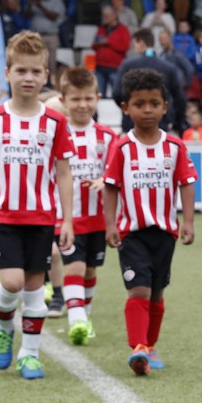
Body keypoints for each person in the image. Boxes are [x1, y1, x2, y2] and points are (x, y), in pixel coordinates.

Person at [0, 31, 76, 380]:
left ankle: (29, 354)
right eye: (21, 70)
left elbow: (64, 173)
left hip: (42, 218)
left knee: (34, 289)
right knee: (10, 283)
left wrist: (67, 220)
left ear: (46, 76)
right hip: (5, 217)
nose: (28, 78)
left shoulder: (55, 121)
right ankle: (2, 326)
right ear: (7, 72)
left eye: (35, 71)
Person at [103, 68, 198, 375]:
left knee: (157, 293)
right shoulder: (121, 147)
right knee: (139, 290)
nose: (147, 109)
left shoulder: (175, 146)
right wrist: (110, 225)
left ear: (165, 107)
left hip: (165, 232)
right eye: (139, 103)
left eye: (154, 103)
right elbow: (111, 186)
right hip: (132, 233)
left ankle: (151, 345)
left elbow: (186, 182)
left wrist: (188, 222)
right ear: (125, 108)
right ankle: (138, 347)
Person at [55, 66, 117, 345]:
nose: (82, 105)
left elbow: (116, 171)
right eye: (75, 99)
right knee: (75, 267)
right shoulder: (56, 134)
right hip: (66, 217)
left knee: (91, 270)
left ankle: (85, 315)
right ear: (63, 100)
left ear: (98, 98)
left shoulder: (107, 136)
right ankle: (76, 318)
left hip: (97, 219)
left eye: (88, 99)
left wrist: (106, 180)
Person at [113, 28, 186, 134]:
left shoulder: (127, 65)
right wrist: (177, 123)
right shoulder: (169, 67)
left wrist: (130, 110)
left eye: (134, 44)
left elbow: (117, 93)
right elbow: (180, 99)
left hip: (131, 126)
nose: (134, 48)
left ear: (141, 43)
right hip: (161, 125)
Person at [92, 5, 131, 98]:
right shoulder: (101, 28)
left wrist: (108, 42)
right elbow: (93, 46)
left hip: (115, 69)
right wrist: (98, 43)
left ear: (114, 16)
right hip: (100, 68)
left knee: (117, 96)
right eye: (103, 15)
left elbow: (125, 47)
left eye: (106, 16)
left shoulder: (123, 29)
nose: (104, 18)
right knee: (99, 96)